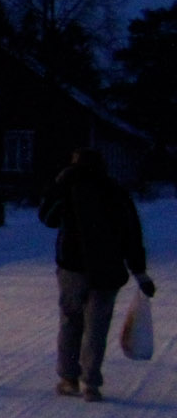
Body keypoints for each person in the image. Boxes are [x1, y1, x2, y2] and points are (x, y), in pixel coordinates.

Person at [39, 148, 155, 403]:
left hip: (72, 267)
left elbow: (47, 218)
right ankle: (90, 383)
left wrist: (59, 183)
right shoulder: (115, 191)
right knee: (97, 327)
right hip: (108, 268)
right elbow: (131, 233)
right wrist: (139, 272)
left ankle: (69, 379)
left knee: (71, 322)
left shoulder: (67, 189)